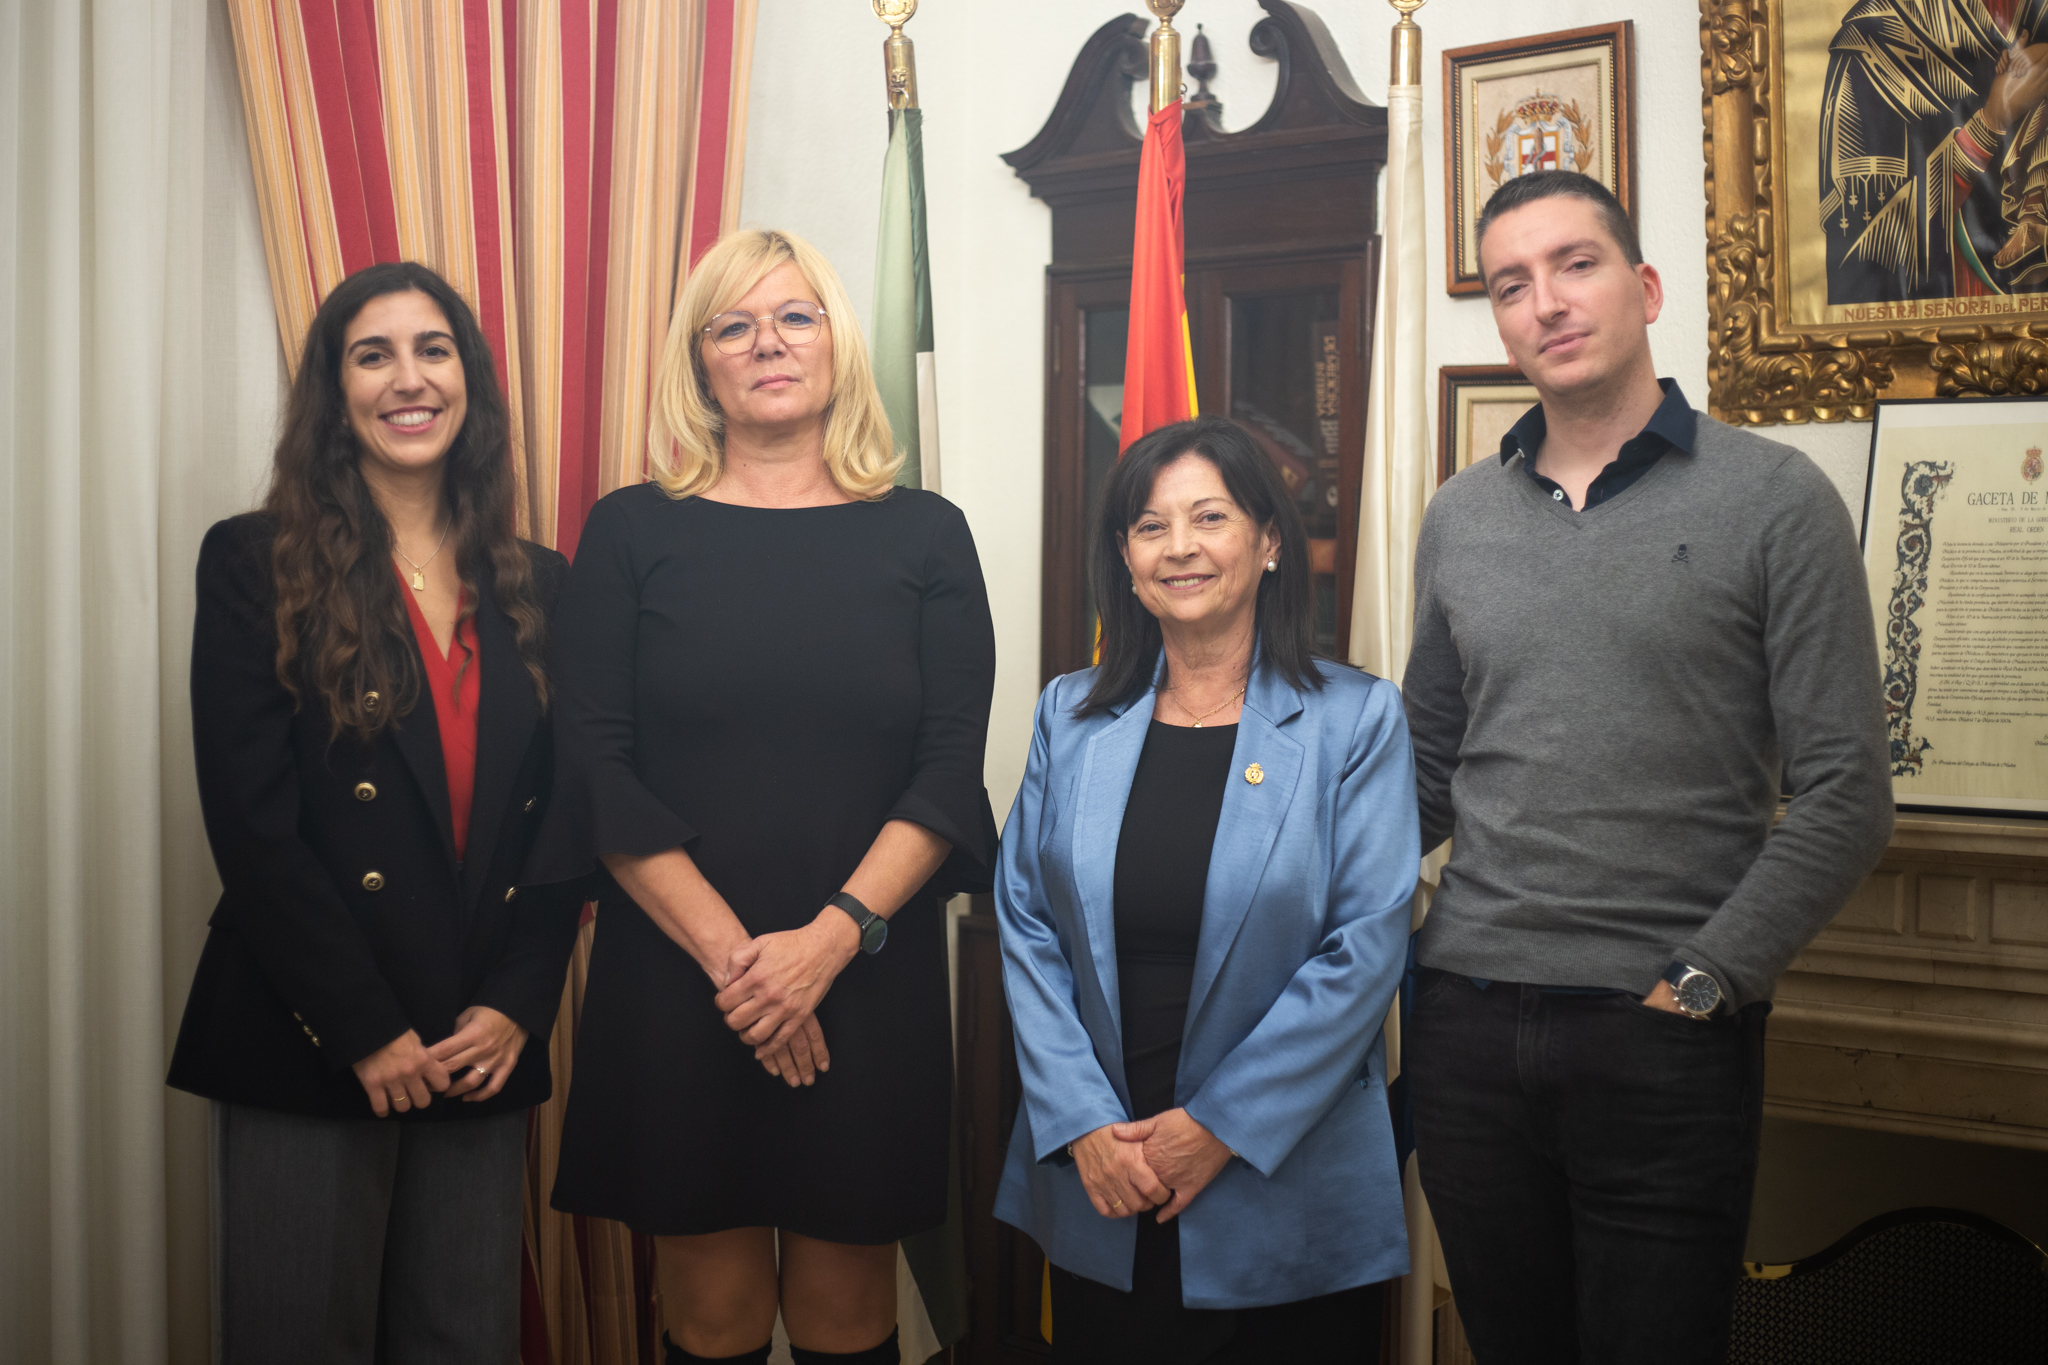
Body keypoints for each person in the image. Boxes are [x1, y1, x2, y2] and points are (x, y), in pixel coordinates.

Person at [1401, 169, 1894, 1364]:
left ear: (1646, 287)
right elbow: (1421, 768)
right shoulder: (1459, 516)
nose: (1545, 302)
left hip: (1662, 1033)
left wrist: (1707, 979)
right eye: (1509, 285)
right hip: (1466, 1022)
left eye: (1574, 265)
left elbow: (1845, 792)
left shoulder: (1773, 500)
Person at [527, 228, 997, 1365]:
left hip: (864, 977)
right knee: (713, 1318)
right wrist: (745, 969)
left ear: (837, 343)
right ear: (700, 363)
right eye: (732, 325)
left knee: (848, 1317)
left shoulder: (926, 534)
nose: (767, 343)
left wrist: (824, 948)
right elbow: (596, 765)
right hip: (681, 978)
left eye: (794, 316)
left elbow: (947, 770)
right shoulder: (631, 530)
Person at [167, 260, 581, 1363]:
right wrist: (361, 1027)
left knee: (465, 1342)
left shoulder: (542, 584)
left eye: (433, 350)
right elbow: (253, 829)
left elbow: (565, 817)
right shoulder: (253, 563)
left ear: (469, 381)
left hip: (477, 1038)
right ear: (333, 391)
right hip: (311, 1031)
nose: (409, 378)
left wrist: (521, 1000)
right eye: (373, 355)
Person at [994, 416, 1417, 1364]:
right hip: (1106, 1169)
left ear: (1269, 543)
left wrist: (1217, 1128)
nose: (1179, 546)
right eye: (1151, 525)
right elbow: (1025, 923)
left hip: (1281, 1171)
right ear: (1126, 559)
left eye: (1209, 517)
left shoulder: (1355, 720)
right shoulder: (1070, 714)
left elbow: (1366, 946)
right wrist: (1085, 1121)